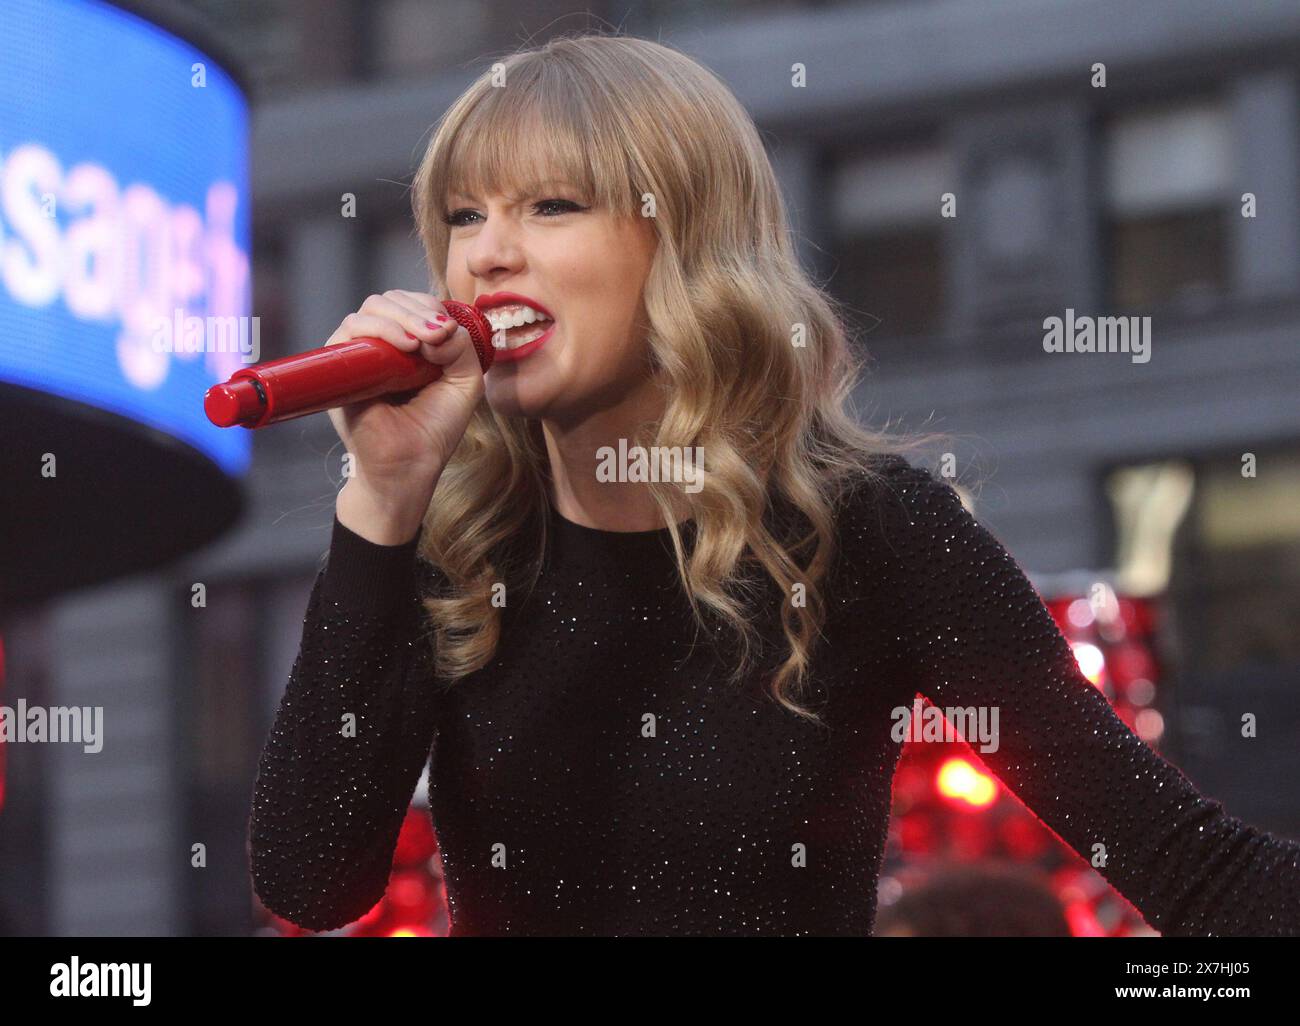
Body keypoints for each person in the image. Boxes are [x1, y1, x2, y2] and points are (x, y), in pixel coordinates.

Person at [246, 32, 1300, 937]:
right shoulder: (455, 542)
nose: (486, 255)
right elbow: (310, 884)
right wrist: (379, 499)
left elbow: (1186, 865)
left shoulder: (871, 531)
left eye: (551, 206)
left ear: (685, 242)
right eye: (462, 217)